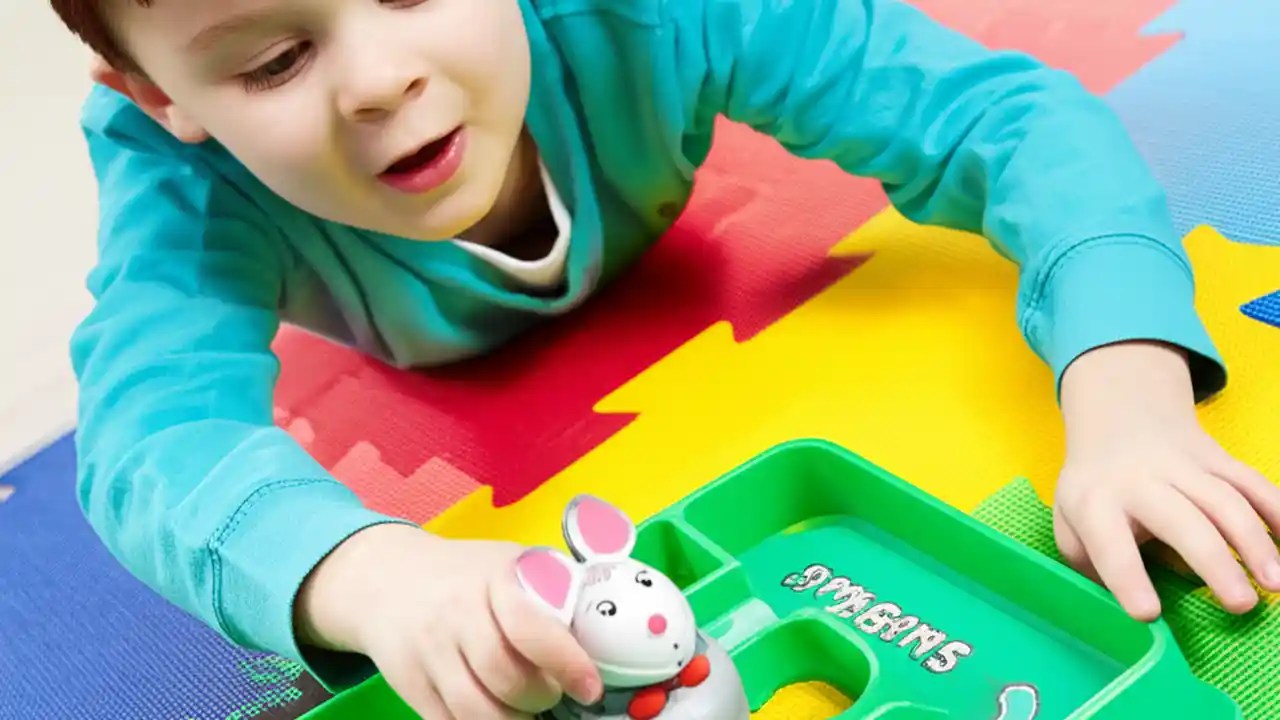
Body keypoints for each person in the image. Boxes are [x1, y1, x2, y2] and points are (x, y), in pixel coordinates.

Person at [51, 0, 1280, 717]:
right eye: (273, 61)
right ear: (163, 98)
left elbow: (1006, 120)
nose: (381, 81)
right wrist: (376, 580)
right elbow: (149, 438)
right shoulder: (179, 182)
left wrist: (1128, 396)